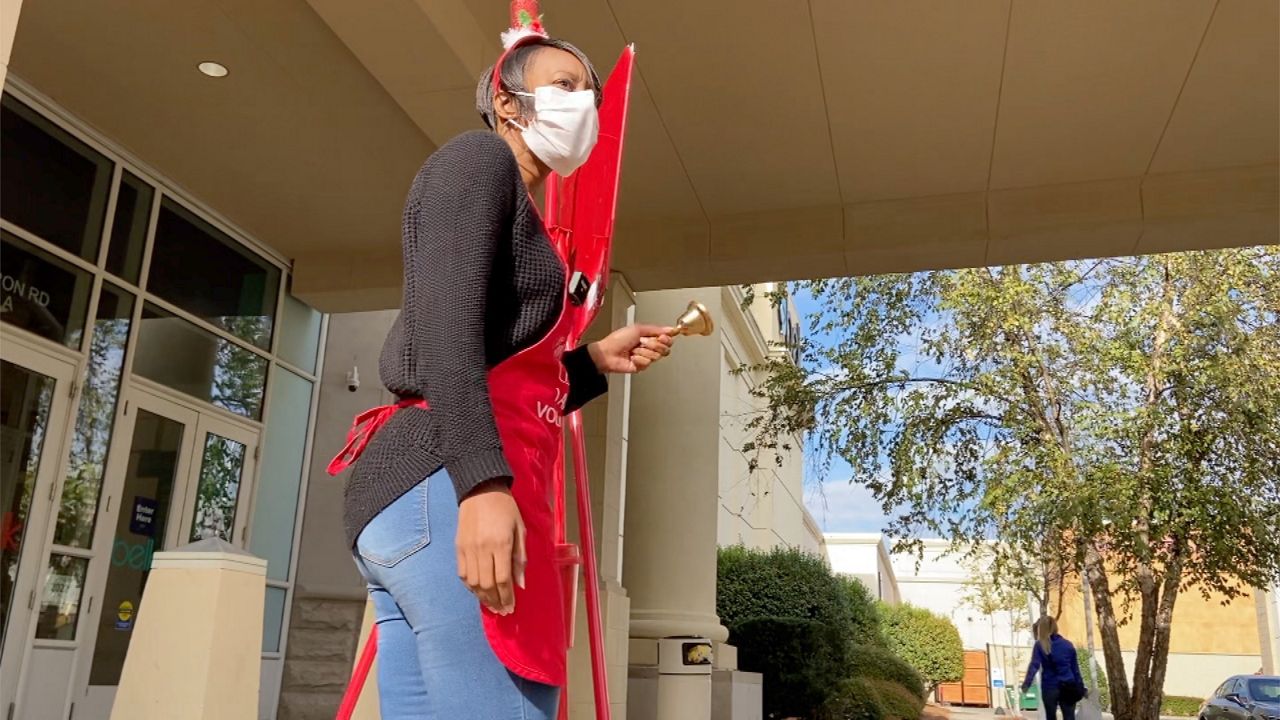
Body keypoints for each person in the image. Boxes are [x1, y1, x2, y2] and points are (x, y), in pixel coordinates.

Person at [329, 13, 673, 719]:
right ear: (508, 103)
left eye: (592, 93)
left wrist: (593, 362)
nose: (585, 104)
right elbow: (444, 329)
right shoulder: (477, 161)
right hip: (444, 483)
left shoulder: (511, 198)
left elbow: (502, 377)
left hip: (411, 498)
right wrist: (484, 488)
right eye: (565, 84)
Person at [1022, 616, 1087, 720]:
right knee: (1069, 717)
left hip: (1049, 687)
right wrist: (1081, 687)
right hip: (1068, 686)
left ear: (1041, 629)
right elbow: (1075, 669)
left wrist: (1026, 684)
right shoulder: (1068, 645)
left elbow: (1034, 665)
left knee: (1050, 717)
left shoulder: (1039, 645)